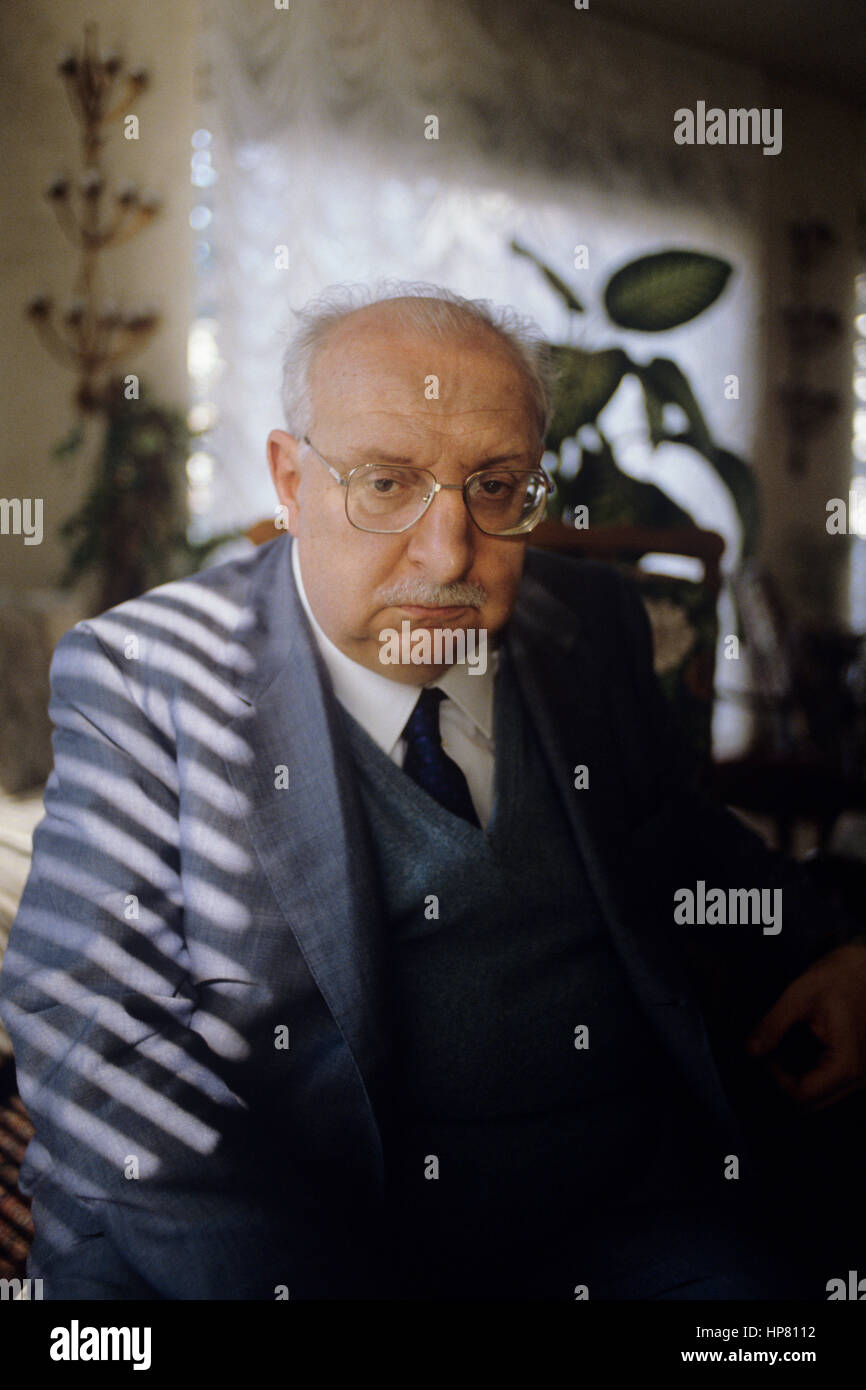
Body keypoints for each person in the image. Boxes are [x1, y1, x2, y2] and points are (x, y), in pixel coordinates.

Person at [2, 284, 865, 1301]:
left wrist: (838, 945)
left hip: (625, 1222)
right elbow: (97, 1046)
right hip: (314, 1244)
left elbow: (681, 842)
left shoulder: (591, 624)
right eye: (384, 483)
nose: (449, 553)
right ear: (289, 479)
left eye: (495, 487)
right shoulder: (150, 674)